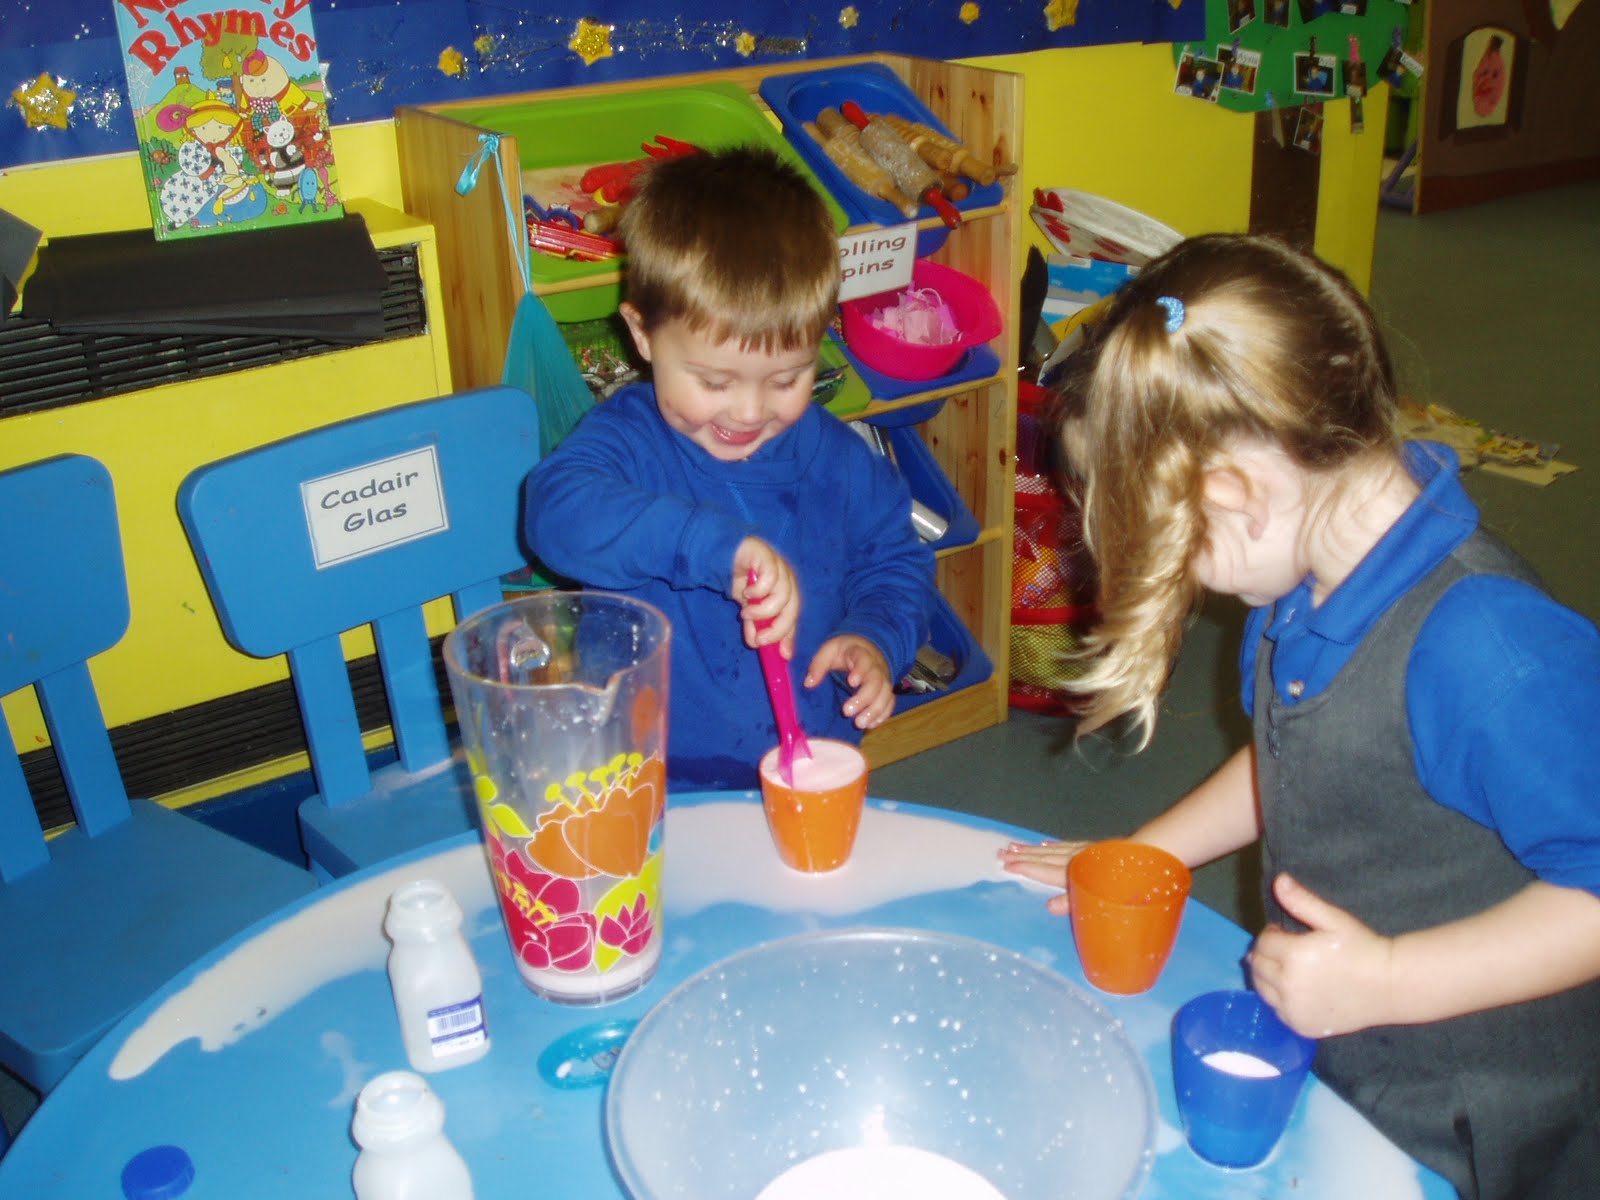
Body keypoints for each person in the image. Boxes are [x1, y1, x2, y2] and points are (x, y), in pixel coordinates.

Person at [999, 234, 1600, 1199]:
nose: (1190, 583)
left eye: (1171, 542)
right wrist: (1149, 852)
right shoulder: (1304, 587)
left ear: (1234, 492)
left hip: (1487, 1101)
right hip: (1352, 1029)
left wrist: (1392, 979)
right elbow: (1289, 762)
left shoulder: (1487, 648)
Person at [525, 144, 935, 789]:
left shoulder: (840, 459)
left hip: (807, 760)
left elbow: (895, 563)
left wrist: (875, 639)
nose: (748, 411)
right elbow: (556, 514)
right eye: (714, 381)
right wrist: (712, 546)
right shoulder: (627, 442)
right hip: (647, 765)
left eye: (787, 377)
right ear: (642, 336)